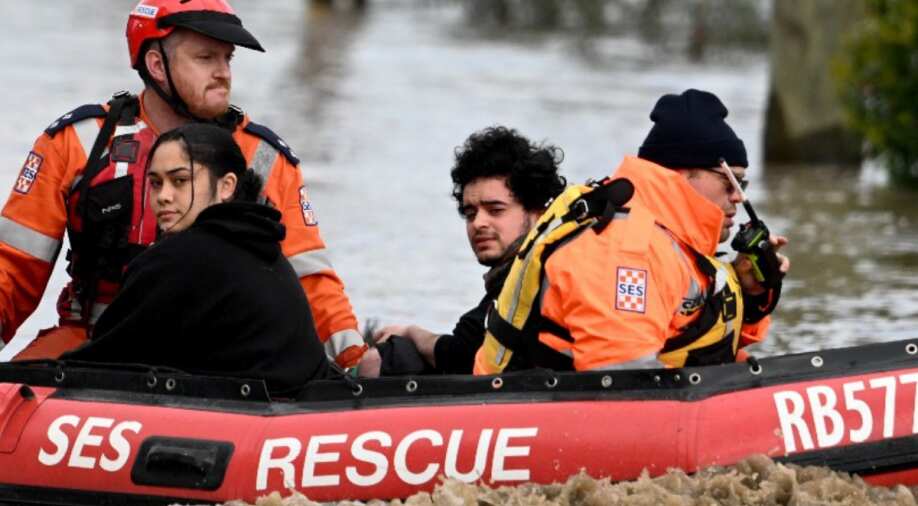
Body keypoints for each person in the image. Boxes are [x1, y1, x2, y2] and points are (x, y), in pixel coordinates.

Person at [2, 0, 365, 368]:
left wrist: (355, 360)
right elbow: (13, 269)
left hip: (217, 351)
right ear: (157, 65)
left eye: (228, 59)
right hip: (94, 337)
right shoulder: (77, 142)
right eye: (206, 58)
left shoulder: (264, 157)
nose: (223, 73)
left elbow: (311, 282)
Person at [474, 89, 790, 374]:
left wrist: (750, 295)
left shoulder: (671, 241)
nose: (738, 196)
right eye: (730, 182)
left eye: (742, 184)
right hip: (531, 410)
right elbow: (623, 378)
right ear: (682, 173)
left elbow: (694, 338)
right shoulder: (628, 249)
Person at [63, 123, 330, 397]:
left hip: (247, 419)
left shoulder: (178, 258)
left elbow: (103, 361)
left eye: (180, 181)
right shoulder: (264, 246)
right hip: (303, 410)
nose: (163, 197)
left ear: (226, 186)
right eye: (155, 183)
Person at [362, 126, 566, 376]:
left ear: (538, 213)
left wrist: (411, 333)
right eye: (470, 213)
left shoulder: (540, 277)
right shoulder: (531, 271)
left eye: (495, 210)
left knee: (393, 358)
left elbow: (461, 355)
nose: (478, 223)